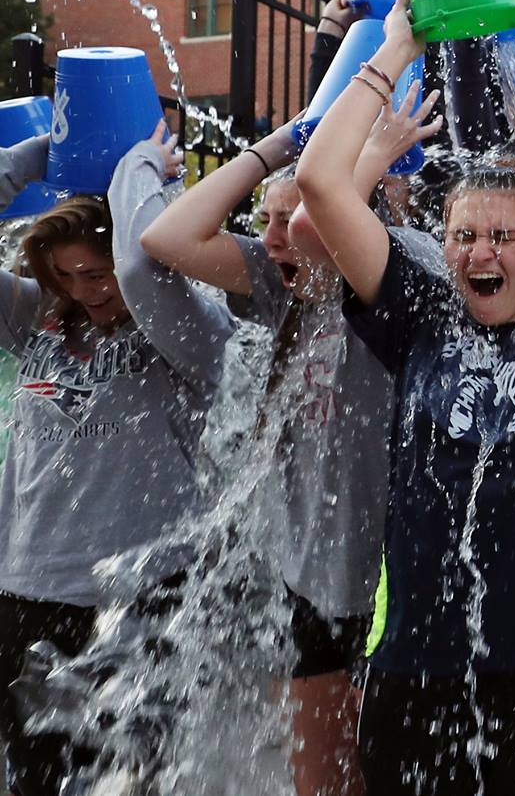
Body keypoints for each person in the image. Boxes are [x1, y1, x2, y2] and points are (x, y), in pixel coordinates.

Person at [296, 0, 515, 796]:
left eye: (504, 237)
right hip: (417, 666)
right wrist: (397, 47)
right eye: (463, 236)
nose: (481, 252)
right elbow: (320, 186)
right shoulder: (418, 314)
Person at [134, 91, 439, 796]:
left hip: (387, 581)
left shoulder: (403, 280)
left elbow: (322, 224)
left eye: (287, 218)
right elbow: (167, 238)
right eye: (264, 220)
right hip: (308, 578)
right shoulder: (283, 293)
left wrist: (366, 158)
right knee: (321, 780)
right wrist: (276, 147)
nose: (274, 239)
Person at [0, 145, 215, 795]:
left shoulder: (184, 330)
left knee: (132, 782)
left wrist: (136, 161)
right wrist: (42, 152)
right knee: (36, 781)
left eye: (97, 273)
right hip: (28, 591)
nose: (84, 290)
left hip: (142, 601)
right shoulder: (34, 319)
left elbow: (145, 266)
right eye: (66, 274)